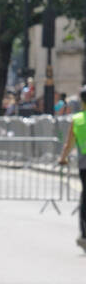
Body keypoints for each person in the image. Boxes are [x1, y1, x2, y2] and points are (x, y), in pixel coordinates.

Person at [59, 86, 86, 249]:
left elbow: (69, 144)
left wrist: (62, 158)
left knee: (85, 198)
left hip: (84, 164)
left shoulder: (77, 119)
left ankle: (84, 233)